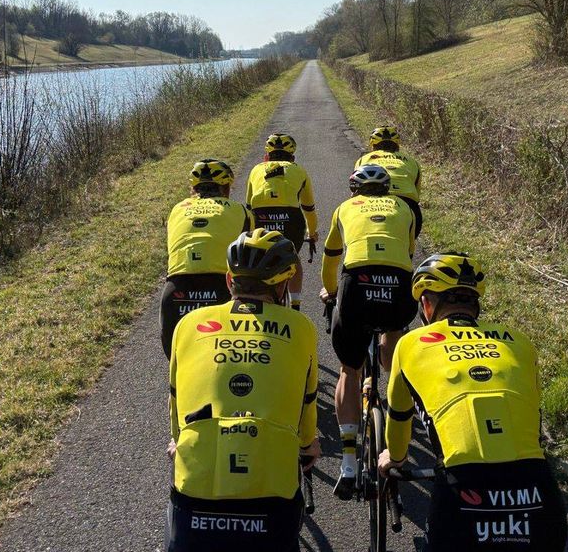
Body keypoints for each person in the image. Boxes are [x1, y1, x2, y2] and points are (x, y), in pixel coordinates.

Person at [378, 252, 568, 552]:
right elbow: (532, 412)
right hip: (537, 489)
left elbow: (399, 417)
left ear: (426, 304)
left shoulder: (410, 344)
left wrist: (397, 459)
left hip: (463, 491)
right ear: (474, 304)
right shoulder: (518, 340)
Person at [166, 229, 320, 552]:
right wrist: (308, 446)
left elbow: (175, 400)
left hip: (196, 486)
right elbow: (307, 403)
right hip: (271, 489)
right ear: (281, 287)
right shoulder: (301, 328)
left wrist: (179, 437)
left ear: (228, 281)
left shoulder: (188, 325)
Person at [318, 164, 416, 499]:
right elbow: (408, 252)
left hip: (357, 287)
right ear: (388, 190)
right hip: (398, 288)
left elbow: (331, 258)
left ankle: (348, 463)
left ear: (353, 192)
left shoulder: (344, 209)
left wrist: (330, 291)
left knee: (350, 369)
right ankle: (392, 395)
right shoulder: (405, 208)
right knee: (393, 342)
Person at [160, 158, 253, 357]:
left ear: (193, 188)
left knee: (178, 370)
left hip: (176, 289)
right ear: (226, 187)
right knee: (227, 361)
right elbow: (250, 254)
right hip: (221, 287)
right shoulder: (241, 211)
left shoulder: (176, 210)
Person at [245, 132, 318, 309]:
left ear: (266, 157)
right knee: (292, 257)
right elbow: (309, 209)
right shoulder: (299, 170)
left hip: (260, 216)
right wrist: (312, 231)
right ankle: (296, 304)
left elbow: (248, 207)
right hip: (290, 218)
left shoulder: (256, 169)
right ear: (292, 157)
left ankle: (255, 299)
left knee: (257, 256)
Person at [355, 125, 424, 237]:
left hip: (373, 202)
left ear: (373, 145)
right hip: (409, 206)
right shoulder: (412, 162)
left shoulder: (364, 159)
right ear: (397, 144)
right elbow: (416, 194)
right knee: (405, 251)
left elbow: (356, 188)